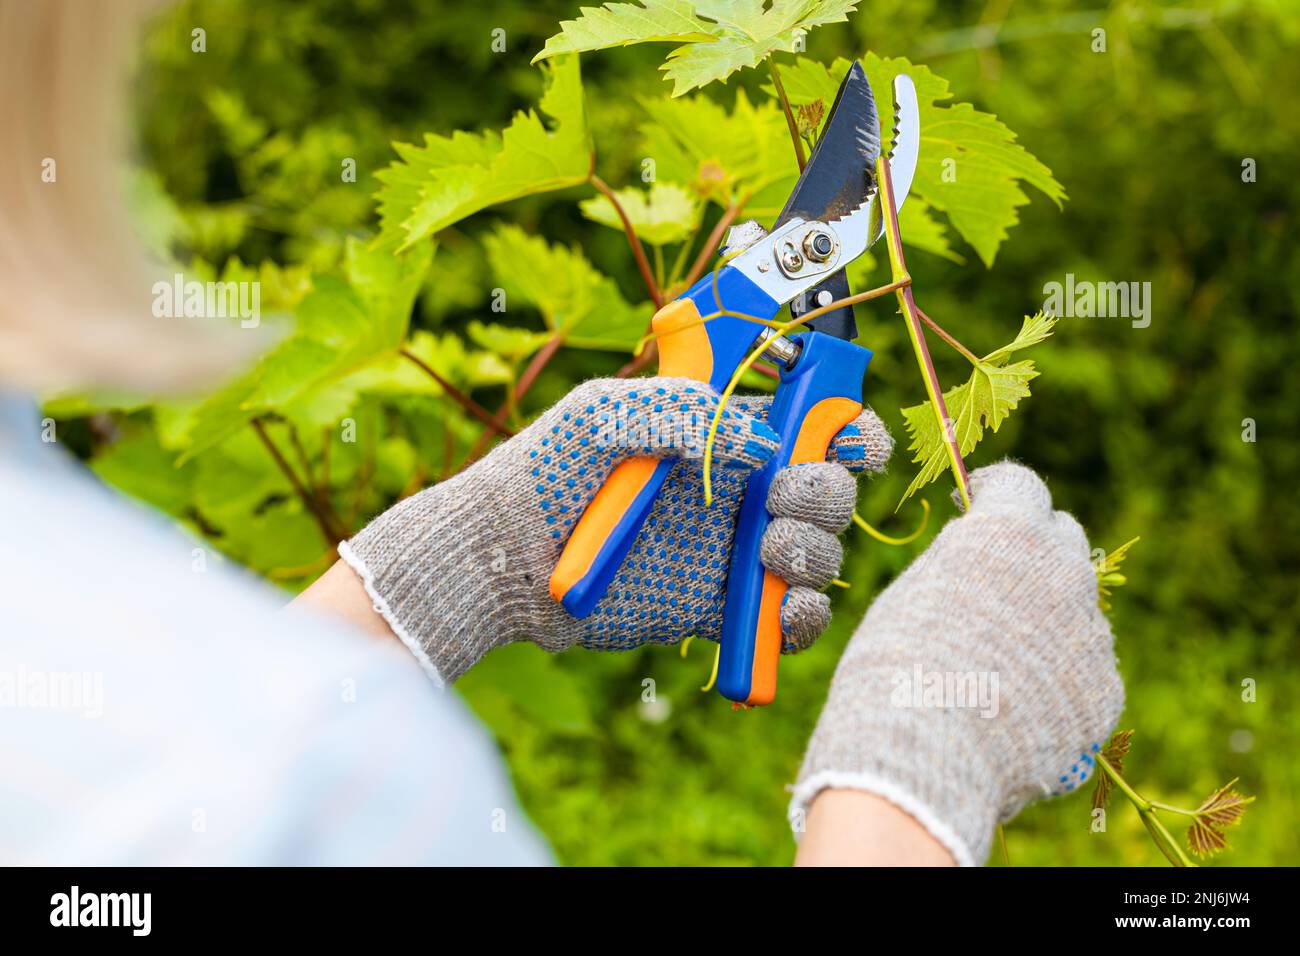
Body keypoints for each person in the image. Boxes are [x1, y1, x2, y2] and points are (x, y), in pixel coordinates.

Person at [0, 0, 1122, 867]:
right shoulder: (331, 777)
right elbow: (237, 766)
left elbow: (188, 751)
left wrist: (464, 568)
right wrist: (904, 793)